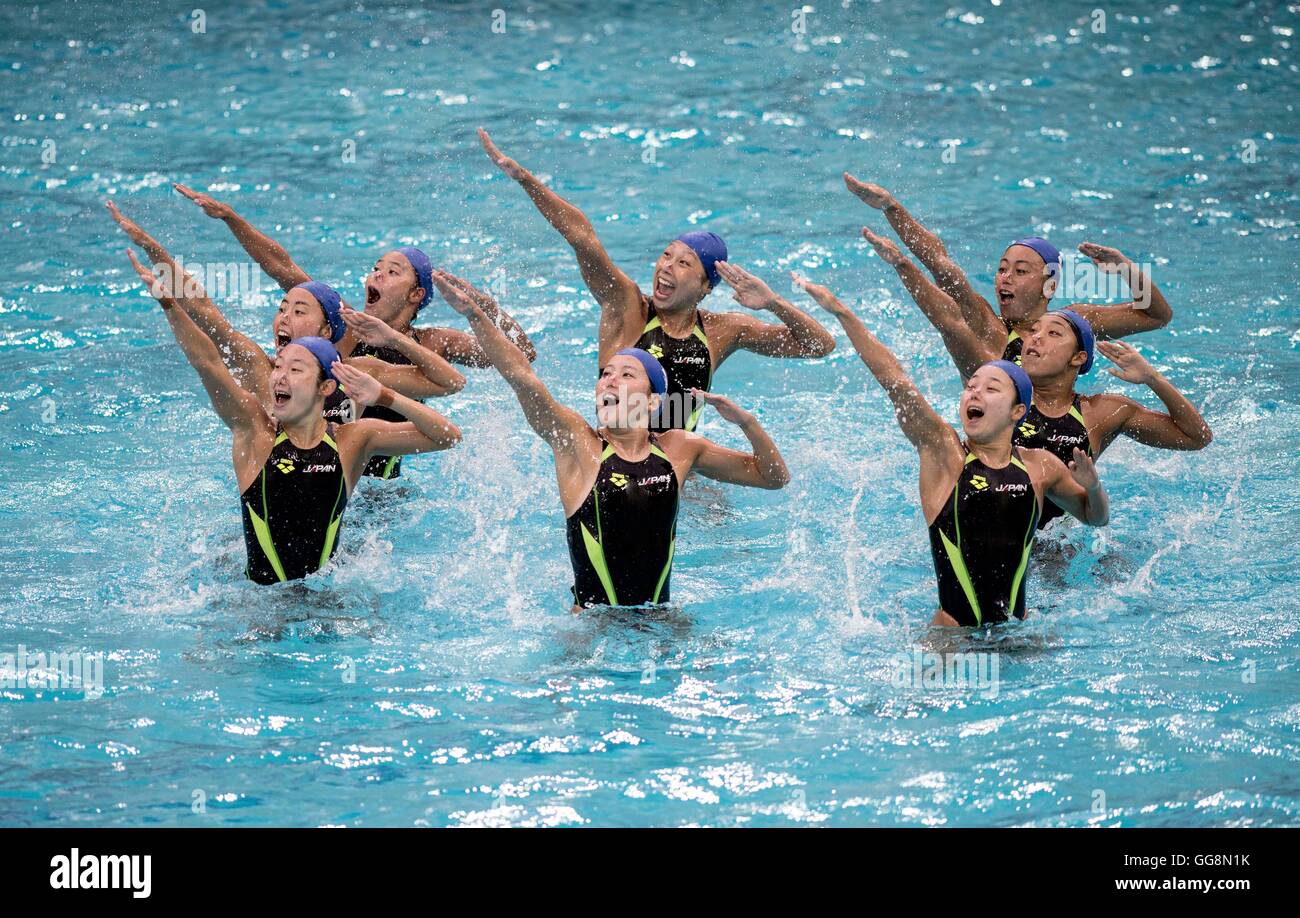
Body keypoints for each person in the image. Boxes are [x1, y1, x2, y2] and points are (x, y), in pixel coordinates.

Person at [430, 269, 790, 609]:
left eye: (627, 374)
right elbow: (521, 376)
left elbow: (773, 478)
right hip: (591, 628)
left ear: (652, 401)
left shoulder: (679, 448)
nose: (609, 381)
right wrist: (475, 316)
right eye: (606, 375)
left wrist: (748, 423)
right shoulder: (578, 443)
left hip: (663, 622)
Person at [123, 247, 461, 584]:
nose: (279, 375)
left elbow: (449, 423)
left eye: (296, 368)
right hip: (260, 598)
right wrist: (168, 301)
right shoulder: (257, 429)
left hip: (347, 550)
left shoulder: (352, 426)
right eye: (282, 309)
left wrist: (386, 393)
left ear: (326, 385)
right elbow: (208, 356)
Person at [792, 273, 1110, 626]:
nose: (974, 393)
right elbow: (895, 381)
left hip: (1022, 635)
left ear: (1018, 411)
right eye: (971, 386)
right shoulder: (945, 455)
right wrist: (842, 313)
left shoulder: (1042, 467)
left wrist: (1093, 486)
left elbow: (1095, 517)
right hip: (952, 640)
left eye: (991, 389)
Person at [479, 128, 835, 431]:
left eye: (684, 263)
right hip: (613, 462)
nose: (666, 267)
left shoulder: (723, 332)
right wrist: (527, 181)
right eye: (666, 255)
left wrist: (774, 304)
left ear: (706, 286)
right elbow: (582, 237)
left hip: (680, 467)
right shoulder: (627, 308)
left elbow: (820, 347)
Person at [860, 229, 1212, 526]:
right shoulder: (1002, 383)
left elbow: (1197, 437)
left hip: (1053, 545)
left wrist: (1152, 378)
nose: (1035, 339)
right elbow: (947, 302)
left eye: (1020, 271)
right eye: (1002, 269)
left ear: (1078, 357)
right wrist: (901, 255)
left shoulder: (1100, 411)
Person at [108, 200, 464, 478]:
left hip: (368, 495)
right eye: (282, 309)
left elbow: (450, 384)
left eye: (298, 312)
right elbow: (205, 312)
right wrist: (153, 253)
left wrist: (389, 366)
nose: (283, 319)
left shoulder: (357, 371)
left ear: (327, 332)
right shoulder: (263, 370)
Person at [845, 174, 1173, 363]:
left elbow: (1155, 316)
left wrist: (1128, 270)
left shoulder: (1074, 324)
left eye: (1020, 271)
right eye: (1002, 269)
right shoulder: (988, 326)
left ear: (1050, 285)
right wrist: (891, 207)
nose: (1005, 278)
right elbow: (941, 265)